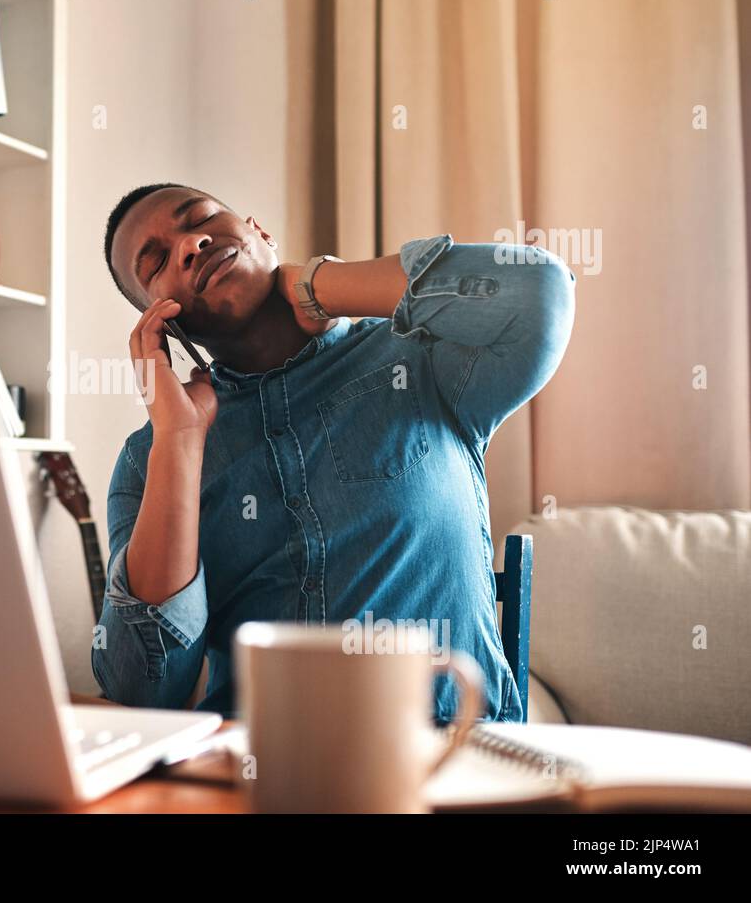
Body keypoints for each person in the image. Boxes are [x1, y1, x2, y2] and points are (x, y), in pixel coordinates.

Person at [93, 182, 576, 721]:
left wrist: (320, 285)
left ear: (259, 231)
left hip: (451, 763)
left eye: (200, 218)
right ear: (164, 322)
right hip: (257, 770)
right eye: (156, 262)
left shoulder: (423, 360)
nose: (189, 245)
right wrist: (179, 444)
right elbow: (140, 690)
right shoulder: (149, 460)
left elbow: (539, 291)